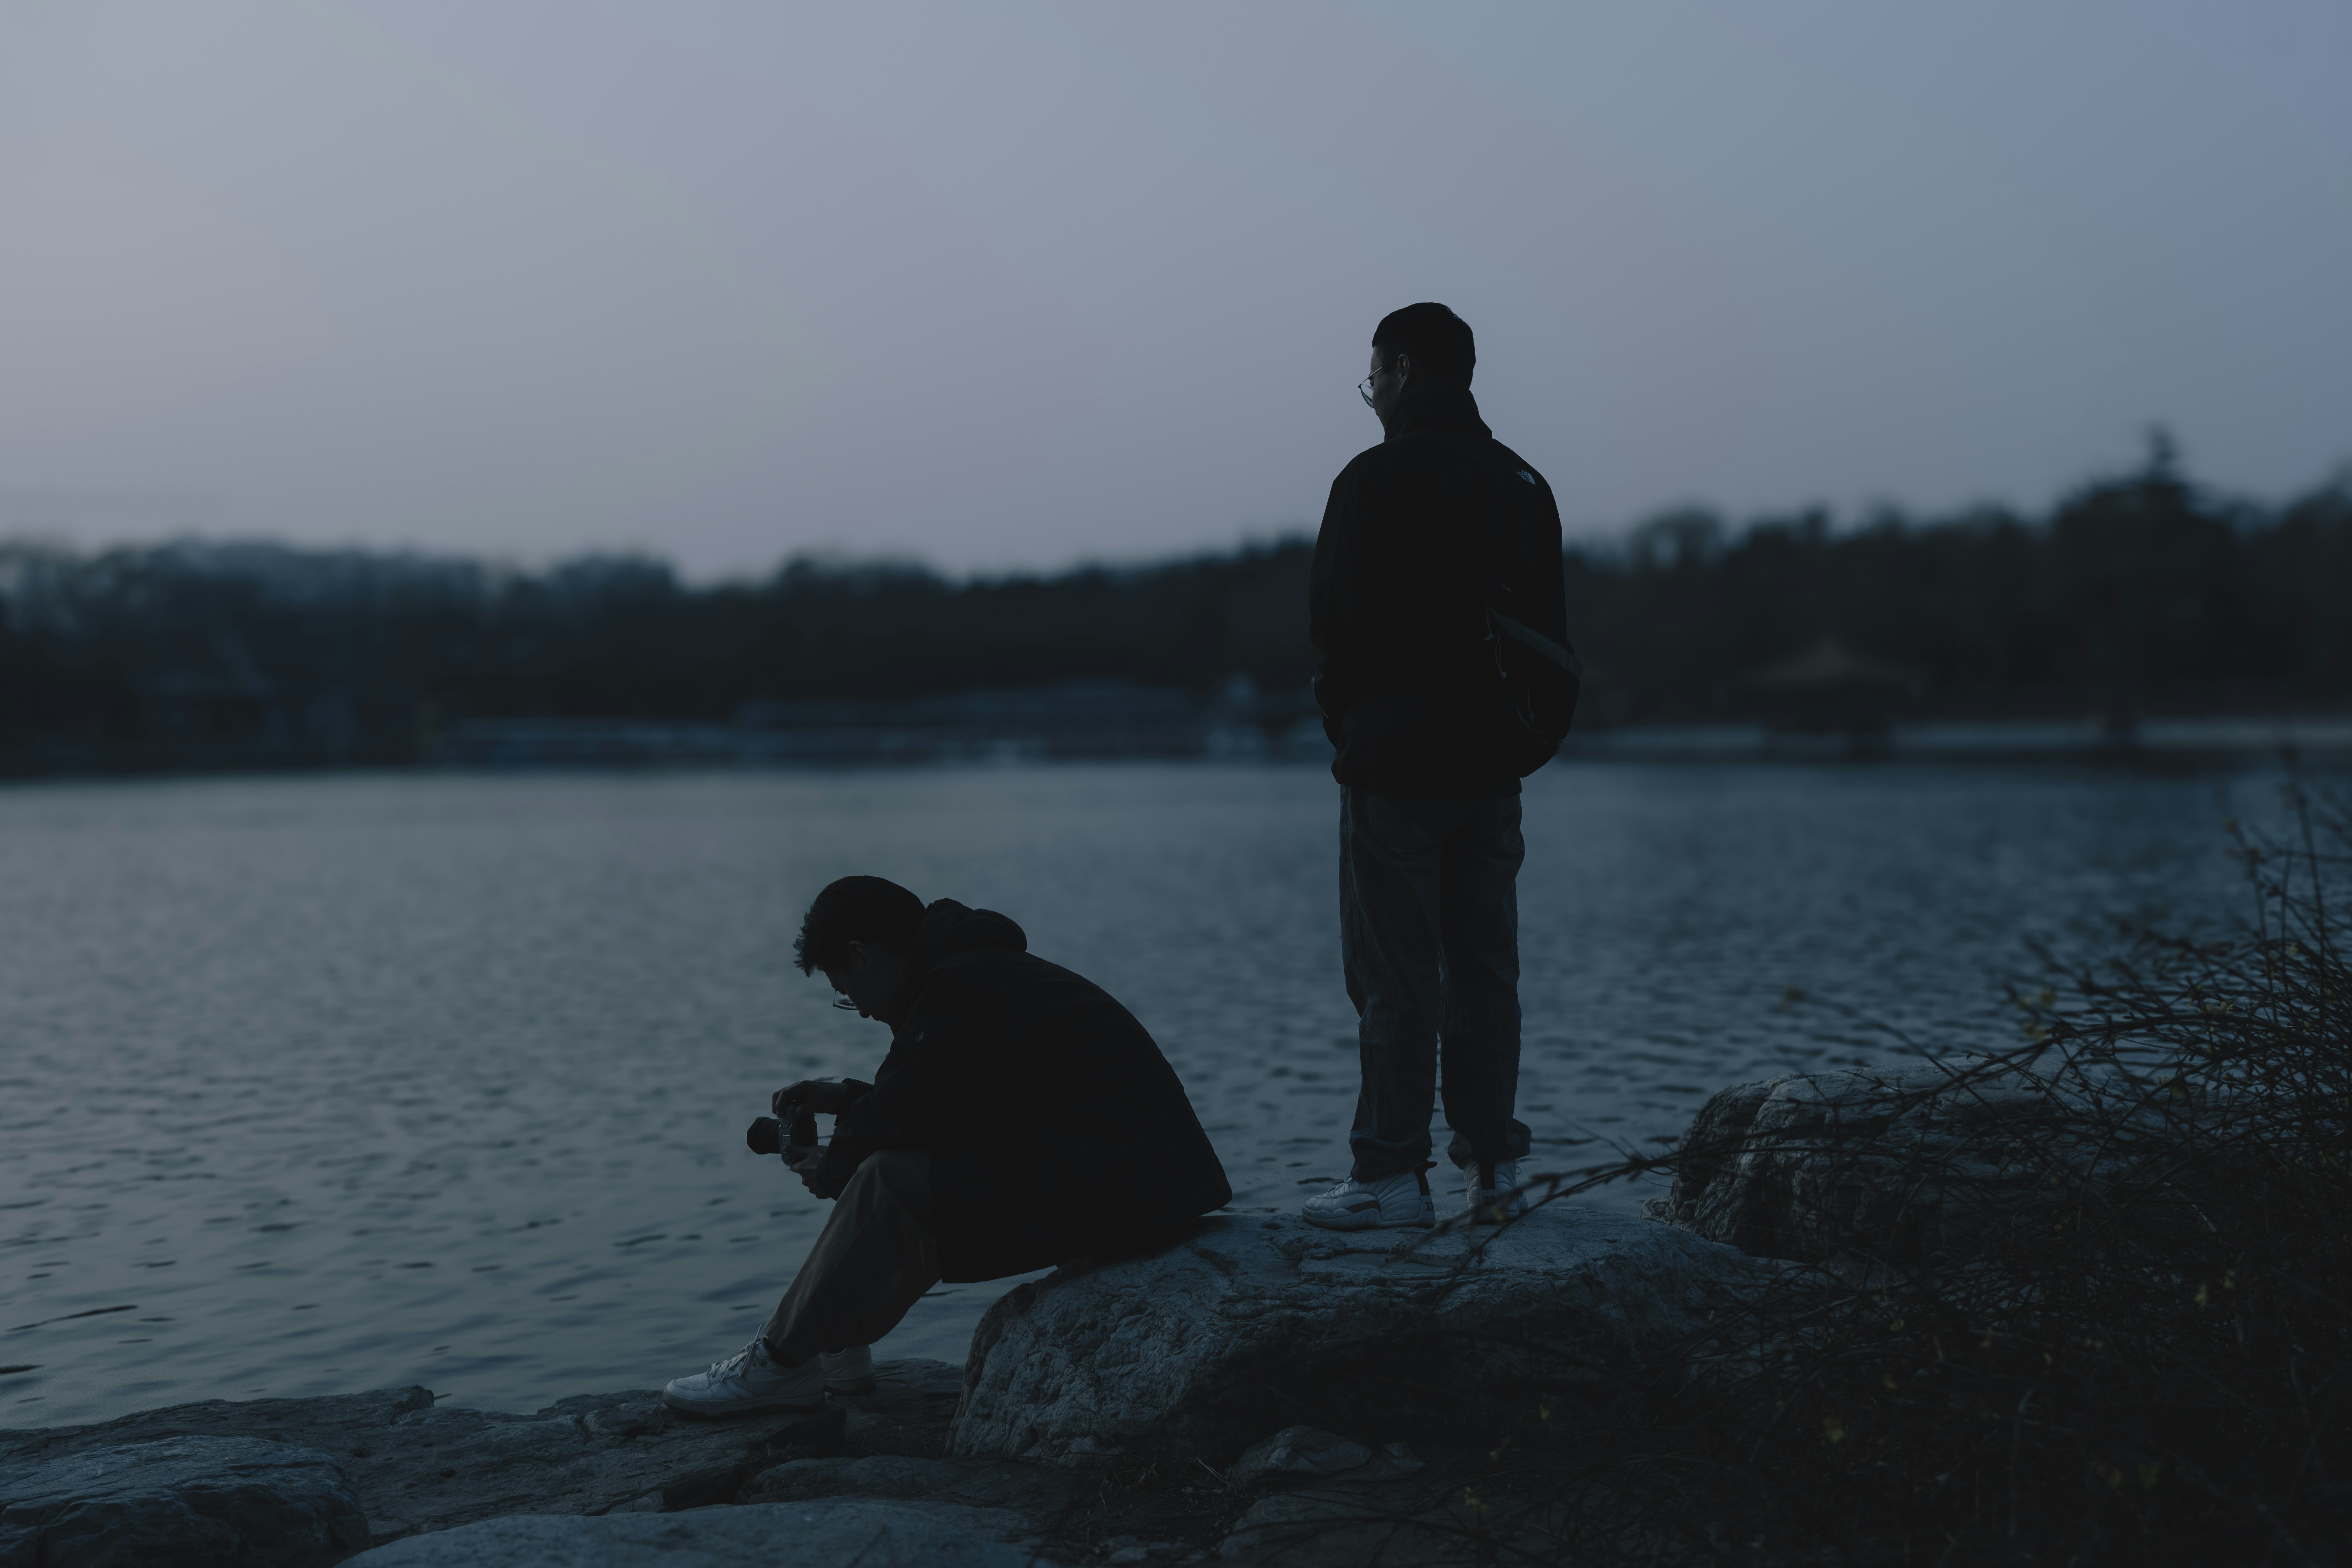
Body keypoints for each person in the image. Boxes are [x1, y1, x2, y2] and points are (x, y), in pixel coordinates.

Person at [663, 875, 1232, 1415]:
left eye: (848, 993)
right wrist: (845, 1099)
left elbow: (909, 1111)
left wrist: (834, 1166)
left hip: (1131, 1192)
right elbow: (948, 1105)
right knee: (900, 1167)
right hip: (1138, 1182)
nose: (861, 1010)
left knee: (890, 1177)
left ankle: (781, 1361)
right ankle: (835, 1342)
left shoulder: (962, 983)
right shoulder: (977, 970)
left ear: (862, 956)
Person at [1300, 302, 1571, 1231]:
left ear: (1405, 370)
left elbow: (1336, 632)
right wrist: (1524, 742)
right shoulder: (1523, 482)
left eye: (1373, 374)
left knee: (1396, 974)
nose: (1370, 393)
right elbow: (1553, 645)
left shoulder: (1375, 481)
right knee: (1486, 969)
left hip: (1397, 772)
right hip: (1494, 772)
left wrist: (1354, 734)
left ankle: (1388, 1177)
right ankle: (1493, 1171)